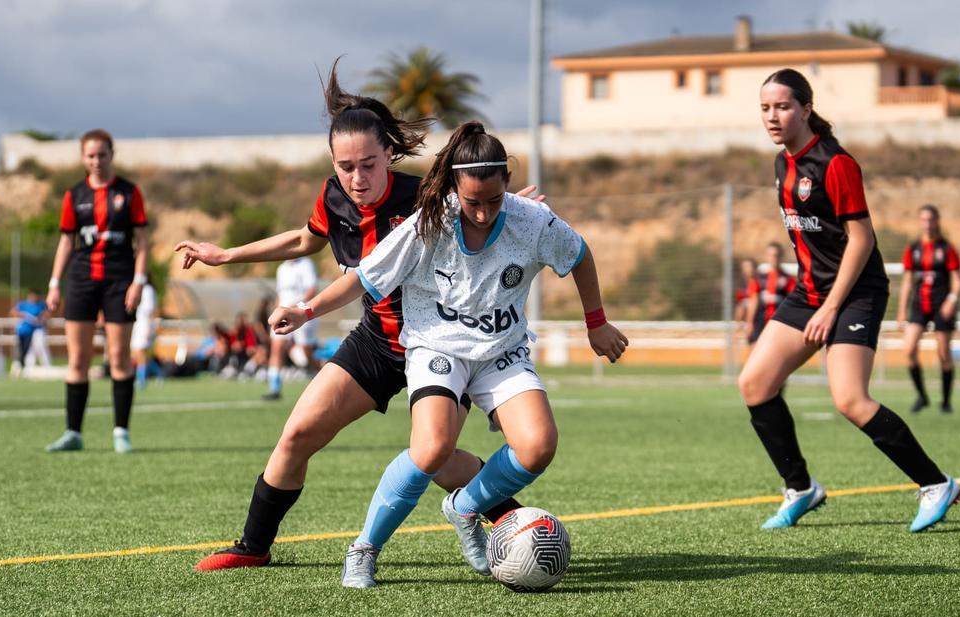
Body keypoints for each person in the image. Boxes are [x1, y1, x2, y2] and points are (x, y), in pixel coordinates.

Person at [176, 62, 544, 573]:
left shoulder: (426, 198)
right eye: (344, 166)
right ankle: (253, 546)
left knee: (434, 457)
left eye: (367, 164)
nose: (356, 177)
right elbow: (305, 239)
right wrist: (226, 254)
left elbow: (485, 212)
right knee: (297, 433)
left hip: (440, 345)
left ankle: (516, 525)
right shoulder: (334, 198)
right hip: (376, 342)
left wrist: (509, 209)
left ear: (389, 153)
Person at [268, 121, 628, 588]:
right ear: (455, 188)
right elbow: (364, 276)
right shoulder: (428, 223)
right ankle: (364, 549)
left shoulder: (530, 220)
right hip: (437, 349)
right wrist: (307, 310)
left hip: (502, 352)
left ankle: (464, 507)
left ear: (507, 186)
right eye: (472, 202)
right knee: (432, 449)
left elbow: (579, 254)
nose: (482, 214)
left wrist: (596, 322)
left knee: (538, 447)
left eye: (493, 201)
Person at [737, 69, 960, 533]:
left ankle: (935, 484)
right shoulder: (782, 164)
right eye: (764, 108)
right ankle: (800, 488)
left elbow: (861, 239)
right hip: (810, 292)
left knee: (850, 399)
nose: (772, 117)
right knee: (754, 384)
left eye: (782, 107)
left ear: (805, 108)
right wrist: (815, 299)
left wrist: (832, 307)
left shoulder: (836, 163)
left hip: (855, 292)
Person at [44, 129, 149, 454]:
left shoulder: (129, 193)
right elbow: (66, 242)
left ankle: (121, 432)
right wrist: (54, 283)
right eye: (90, 155)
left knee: (118, 357)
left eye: (102, 154)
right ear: (83, 158)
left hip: (119, 281)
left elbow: (143, 242)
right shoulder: (73, 195)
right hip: (81, 281)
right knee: (78, 358)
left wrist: (138, 280)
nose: (96, 160)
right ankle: (73, 433)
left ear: (111, 155)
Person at [897, 205, 960, 414]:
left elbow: (958, 280)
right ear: (920, 222)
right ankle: (922, 396)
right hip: (919, 305)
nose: (927, 224)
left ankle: (945, 401)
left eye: (930, 219)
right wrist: (901, 311)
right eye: (923, 220)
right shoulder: (913, 248)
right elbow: (907, 282)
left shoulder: (946, 248)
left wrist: (951, 300)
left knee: (943, 354)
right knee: (908, 350)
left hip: (941, 305)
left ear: (937, 221)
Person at [264, 256, 321, 401]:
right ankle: (274, 388)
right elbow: (280, 295)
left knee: (306, 353)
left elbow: (312, 290)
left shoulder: (306, 264)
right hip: (282, 315)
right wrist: (277, 310)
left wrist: (294, 308)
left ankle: (325, 374)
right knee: (276, 347)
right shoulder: (281, 268)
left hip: (300, 313)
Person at [130, 281, 159, 389]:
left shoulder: (148, 290)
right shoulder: (135, 287)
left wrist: (150, 328)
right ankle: (158, 372)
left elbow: (151, 310)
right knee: (135, 354)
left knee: (140, 353)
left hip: (144, 325)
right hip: (136, 324)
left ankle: (141, 380)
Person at [12, 290, 49, 372]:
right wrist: (22, 314)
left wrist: (40, 319)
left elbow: (46, 314)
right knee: (26, 349)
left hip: (37, 330)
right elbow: (13, 312)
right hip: (24, 331)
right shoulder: (23, 304)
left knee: (40, 346)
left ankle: (46, 365)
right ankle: (25, 366)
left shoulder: (40, 305)